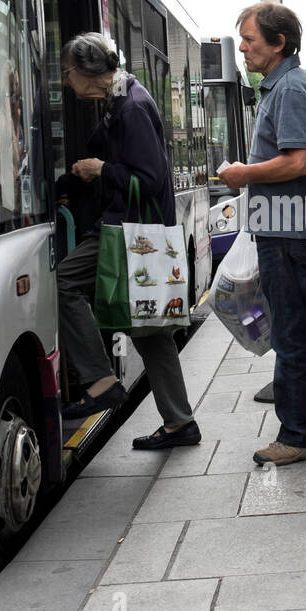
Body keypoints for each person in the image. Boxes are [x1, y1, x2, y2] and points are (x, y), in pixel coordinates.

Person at [218, 2, 306, 467]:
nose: (242, 48)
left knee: (290, 335)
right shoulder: (285, 86)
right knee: (296, 329)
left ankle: (301, 435)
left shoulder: (292, 89)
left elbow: (298, 161)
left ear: (278, 44)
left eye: (251, 40)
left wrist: (244, 173)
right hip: (285, 225)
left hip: (289, 230)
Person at [54, 32, 200, 449]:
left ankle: (101, 381)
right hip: (135, 230)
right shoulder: (122, 98)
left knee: (64, 281)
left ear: (87, 71)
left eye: (67, 73)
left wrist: (102, 170)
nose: (66, 83)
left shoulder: (132, 106)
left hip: (128, 232)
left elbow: (151, 180)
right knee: (150, 330)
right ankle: (180, 423)